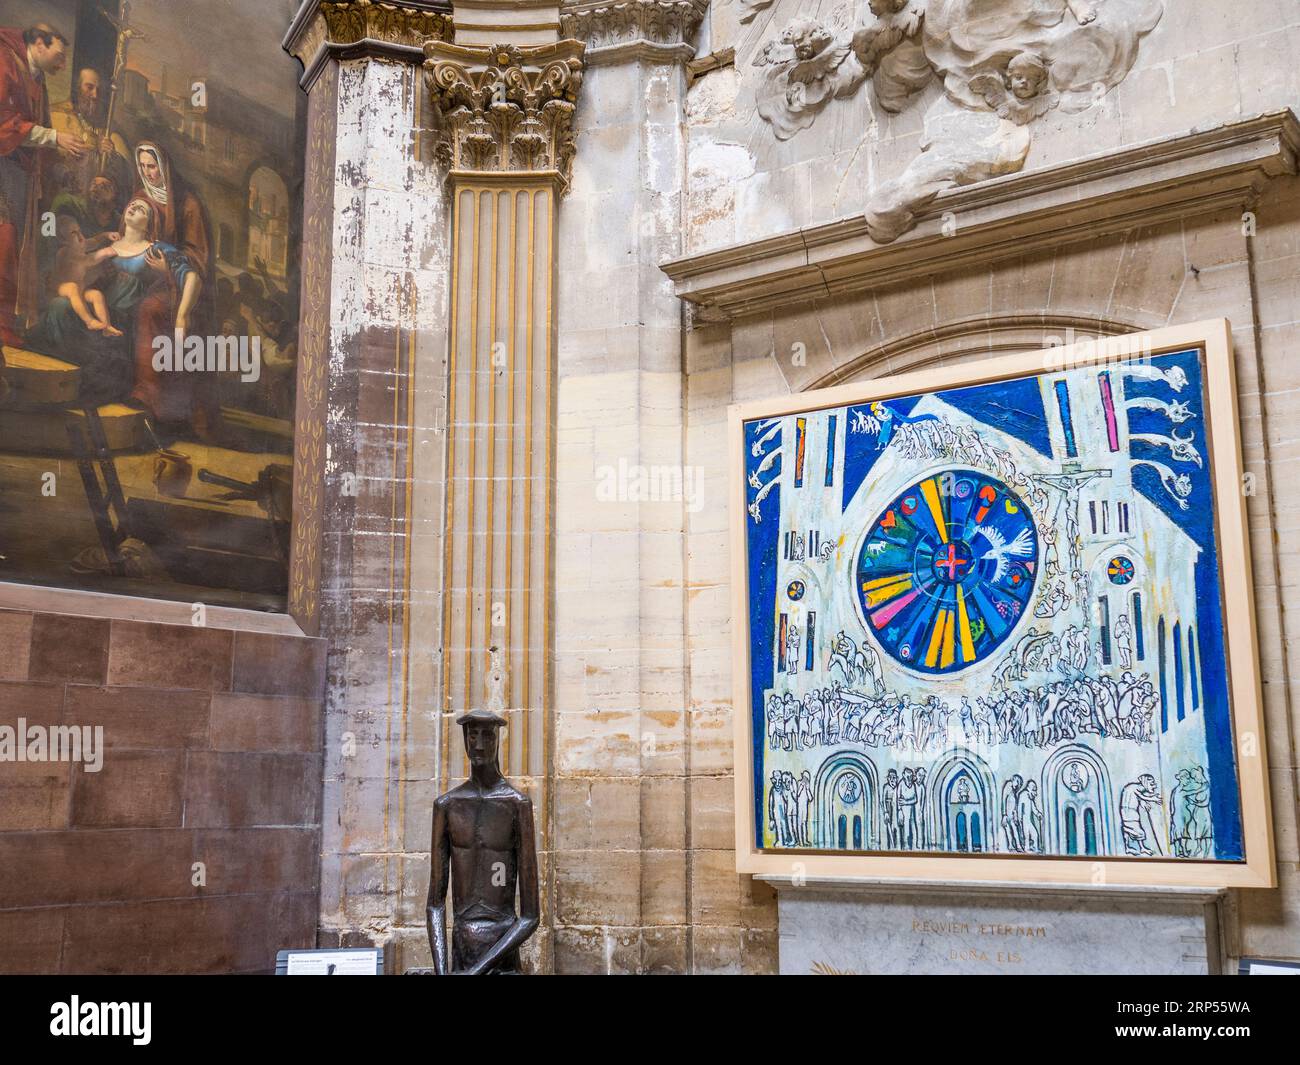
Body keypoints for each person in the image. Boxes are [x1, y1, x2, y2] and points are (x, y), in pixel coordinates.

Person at [426, 709, 539, 975]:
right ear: (464, 739)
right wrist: (442, 971)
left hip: (502, 952)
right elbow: (435, 903)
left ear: (497, 740)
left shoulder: (516, 805)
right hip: (462, 948)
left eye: (487, 736)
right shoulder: (448, 805)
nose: (478, 744)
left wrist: (478, 970)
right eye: (472, 735)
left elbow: (530, 916)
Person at [0, 23, 86, 346]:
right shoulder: (6, 60)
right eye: (59, 56)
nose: (62, 65)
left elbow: (42, 140)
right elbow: (4, 123)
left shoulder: (38, 80)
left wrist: (63, 170)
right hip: (2, 167)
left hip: (19, 174)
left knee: (13, 250)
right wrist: (55, 137)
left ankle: (5, 324)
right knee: (5, 242)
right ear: (38, 43)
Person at [128, 141, 215, 426]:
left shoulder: (188, 205)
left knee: (150, 309)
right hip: (142, 276)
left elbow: (198, 257)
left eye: (152, 166)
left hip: (178, 284)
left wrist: (168, 266)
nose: (148, 172)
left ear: (164, 167)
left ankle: (150, 398)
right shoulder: (141, 196)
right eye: (142, 166)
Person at [51, 216, 119, 335]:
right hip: (62, 288)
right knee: (72, 287)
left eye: (79, 231)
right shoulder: (64, 253)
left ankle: (106, 327)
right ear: (63, 240)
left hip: (80, 289)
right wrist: (104, 252)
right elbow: (88, 260)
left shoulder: (80, 244)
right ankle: (89, 321)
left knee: (97, 295)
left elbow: (95, 241)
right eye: (73, 233)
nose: (80, 236)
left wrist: (106, 235)